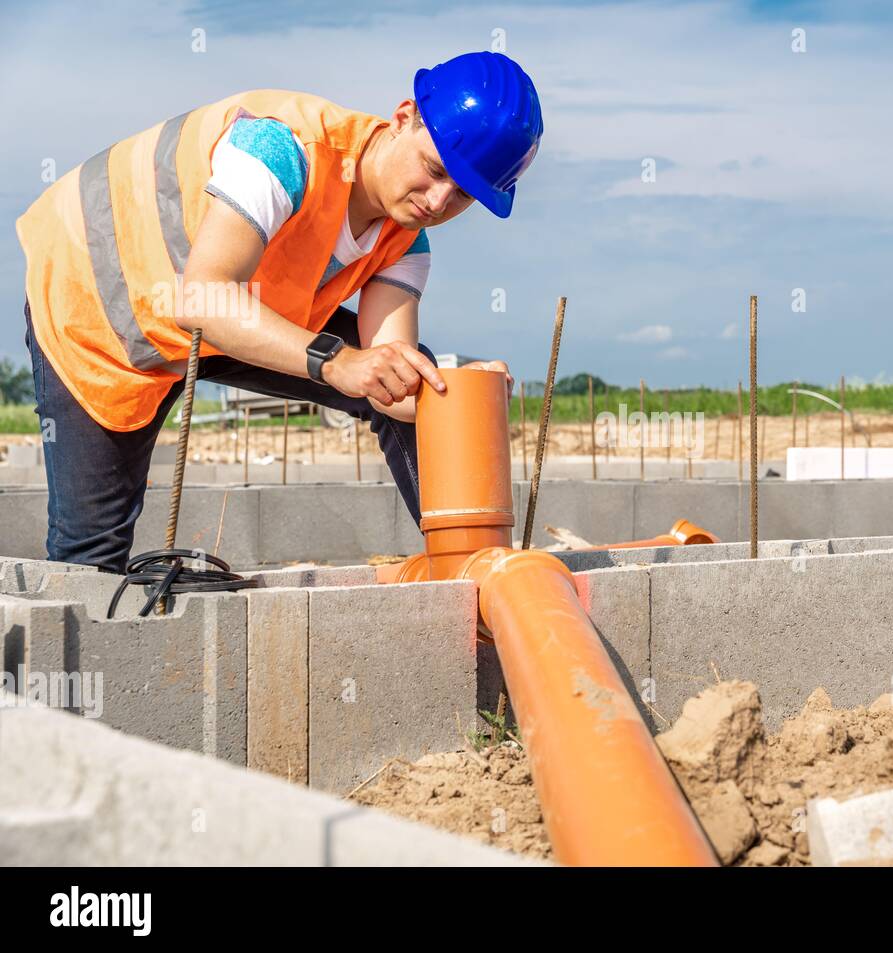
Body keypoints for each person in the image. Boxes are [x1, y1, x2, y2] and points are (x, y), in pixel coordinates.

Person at [15, 51, 543, 573]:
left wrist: (464, 393)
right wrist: (337, 363)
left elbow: (394, 383)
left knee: (412, 365)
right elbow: (202, 299)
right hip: (96, 305)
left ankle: (468, 570)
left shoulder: (405, 243)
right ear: (403, 117)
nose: (437, 200)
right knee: (90, 563)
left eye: (464, 194)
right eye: (435, 170)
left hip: (229, 324)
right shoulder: (282, 150)